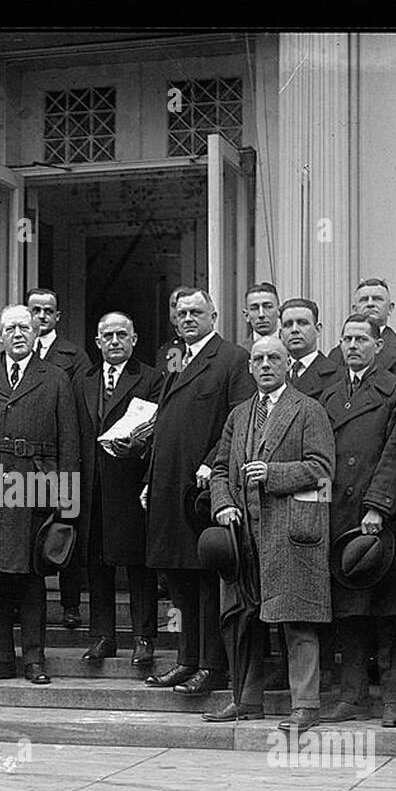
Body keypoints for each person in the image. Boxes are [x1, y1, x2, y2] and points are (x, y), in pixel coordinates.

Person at [206, 335, 335, 732]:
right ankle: (246, 700)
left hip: (290, 530)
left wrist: (274, 474)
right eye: (258, 358)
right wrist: (223, 503)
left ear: (287, 365)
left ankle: (306, 707)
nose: (265, 365)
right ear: (249, 367)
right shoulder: (239, 415)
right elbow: (221, 469)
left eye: (273, 358)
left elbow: (322, 468)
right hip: (245, 531)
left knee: (296, 618)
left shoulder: (308, 410)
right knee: (243, 618)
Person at [0, 303, 80, 684]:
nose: (19, 334)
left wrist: (66, 501)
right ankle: (0, 658)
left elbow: (69, 442)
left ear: (36, 332)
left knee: (29, 577)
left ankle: (35, 660)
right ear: (0, 335)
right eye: (11, 328)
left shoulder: (55, 378)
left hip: (34, 483)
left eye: (25, 327)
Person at [143, 288, 255, 696]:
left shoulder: (232, 359)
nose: (188, 318)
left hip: (206, 488)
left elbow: (239, 419)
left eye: (197, 312)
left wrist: (214, 463)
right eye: (182, 313)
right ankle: (186, 659)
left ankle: (213, 665)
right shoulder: (176, 361)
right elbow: (165, 428)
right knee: (178, 580)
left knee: (207, 580)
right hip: (168, 486)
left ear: (215, 315)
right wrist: (149, 480)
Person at [317, 314, 396, 726]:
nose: (353, 345)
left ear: (379, 345)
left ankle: (392, 697)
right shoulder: (328, 396)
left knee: (388, 612)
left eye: (362, 338)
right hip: (339, 516)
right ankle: (352, 695)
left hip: (381, 518)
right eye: (347, 338)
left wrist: (377, 505)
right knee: (349, 613)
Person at [73, 312, 162, 667]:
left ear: (134, 339)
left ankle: (143, 638)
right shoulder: (83, 380)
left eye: (121, 335)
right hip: (92, 485)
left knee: (138, 565)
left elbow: (158, 430)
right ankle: (103, 636)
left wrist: (140, 451)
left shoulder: (152, 378)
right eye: (107, 335)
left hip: (130, 483)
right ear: (96, 341)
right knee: (97, 565)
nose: (114, 341)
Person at [26, 287, 86, 627]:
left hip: (59, 455)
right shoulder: (12, 352)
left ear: (58, 316)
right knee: (25, 532)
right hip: (23, 464)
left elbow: (77, 411)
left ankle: (70, 605)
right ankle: (20, 603)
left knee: (64, 528)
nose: (42, 317)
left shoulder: (73, 356)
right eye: (36, 310)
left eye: (49, 311)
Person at [282, 298, 341, 397]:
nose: (294, 330)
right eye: (288, 325)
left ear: (317, 330)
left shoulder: (338, 376)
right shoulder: (274, 375)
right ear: (281, 334)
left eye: (302, 323)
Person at [242, 281, 282, 348]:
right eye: (254, 308)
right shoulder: (238, 354)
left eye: (268, 307)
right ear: (246, 315)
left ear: (279, 311)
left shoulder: (292, 349)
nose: (261, 314)